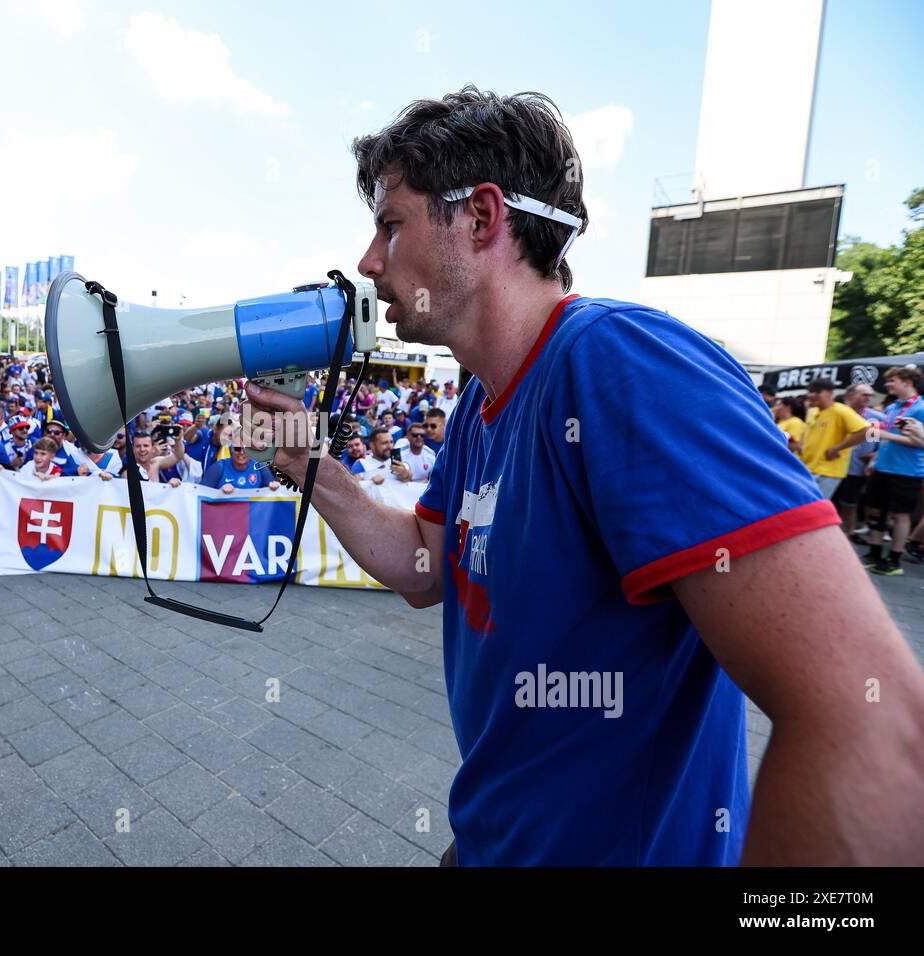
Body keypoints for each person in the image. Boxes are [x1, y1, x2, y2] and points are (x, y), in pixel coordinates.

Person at [241, 86, 924, 866]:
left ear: (482, 216)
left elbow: (871, 724)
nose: (368, 262)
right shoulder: (482, 404)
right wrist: (310, 467)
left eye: (391, 224)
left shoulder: (620, 364)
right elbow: (424, 566)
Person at [859, 367, 924, 575]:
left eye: (892, 381)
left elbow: (920, 443)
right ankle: (875, 553)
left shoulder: (920, 408)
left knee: (900, 515)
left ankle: (894, 560)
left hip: (906, 471)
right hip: (882, 467)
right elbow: (876, 436)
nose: (888, 385)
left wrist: (887, 436)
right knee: (875, 510)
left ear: (907, 382)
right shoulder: (891, 407)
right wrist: (874, 457)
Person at [799, 379, 869, 498]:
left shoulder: (841, 410)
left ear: (831, 393)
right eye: (810, 391)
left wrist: (836, 448)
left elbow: (865, 431)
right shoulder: (812, 411)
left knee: (816, 509)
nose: (812, 395)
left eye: (817, 391)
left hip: (828, 471)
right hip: (808, 467)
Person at [834, 385, 883, 539]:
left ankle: (849, 532)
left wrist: (871, 459)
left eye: (870, 395)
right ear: (850, 395)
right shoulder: (835, 412)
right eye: (864, 395)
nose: (868, 398)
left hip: (855, 468)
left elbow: (874, 443)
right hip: (831, 466)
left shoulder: (874, 418)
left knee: (849, 503)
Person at [199, 439, 279, 493]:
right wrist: (220, 493)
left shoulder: (260, 467)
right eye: (237, 448)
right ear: (231, 451)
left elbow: (271, 495)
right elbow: (201, 494)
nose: (241, 452)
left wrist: (275, 488)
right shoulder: (219, 467)